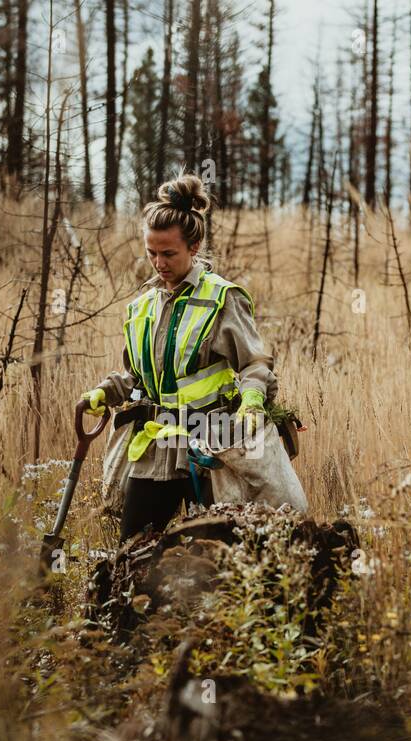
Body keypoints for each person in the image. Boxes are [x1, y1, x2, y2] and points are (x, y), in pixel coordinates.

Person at [80, 173, 277, 540]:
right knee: (133, 549)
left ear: (195, 245)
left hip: (210, 444)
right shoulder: (142, 307)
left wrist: (252, 400)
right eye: (151, 253)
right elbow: (140, 378)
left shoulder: (222, 299)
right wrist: (106, 392)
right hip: (157, 446)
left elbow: (254, 362)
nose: (159, 263)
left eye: (168, 253)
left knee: (217, 551)